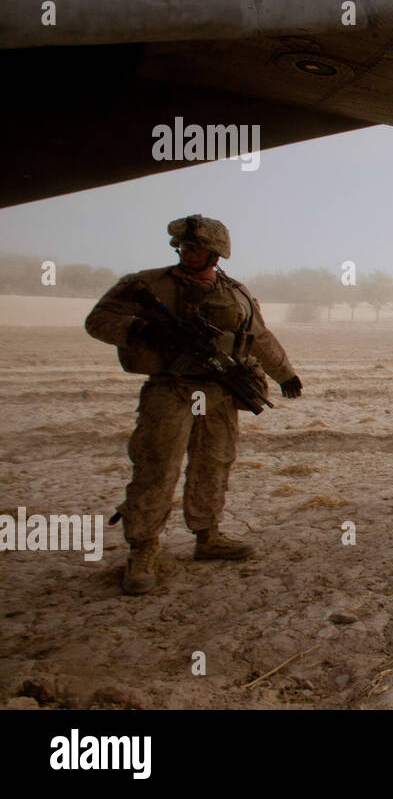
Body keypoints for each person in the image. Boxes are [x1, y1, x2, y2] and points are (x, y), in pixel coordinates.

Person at [85, 215, 301, 595]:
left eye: (195, 248)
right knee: (157, 467)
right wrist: (139, 329)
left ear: (216, 254)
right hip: (171, 390)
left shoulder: (236, 292)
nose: (186, 252)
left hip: (219, 391)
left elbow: (258, 337)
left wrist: (285, 374)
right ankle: (143, 548)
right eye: (183, 247)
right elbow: (98, 321)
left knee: (214, 461)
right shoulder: (147, 285)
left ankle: (208, 535)